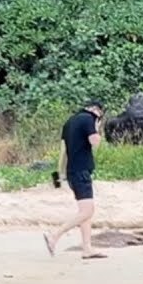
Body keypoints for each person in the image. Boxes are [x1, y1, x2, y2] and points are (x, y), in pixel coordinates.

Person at [44, 100, 107, 259]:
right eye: (100, 114)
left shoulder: (69, 122)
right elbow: (95, 142)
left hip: (71, 172)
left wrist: (58, 176)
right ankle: (55, 235)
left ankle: (87, 249)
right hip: (81, 171)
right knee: (88, 211)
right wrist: (97, 128)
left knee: (84, 212)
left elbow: (63, 152)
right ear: (96, 109)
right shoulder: (89, 118)